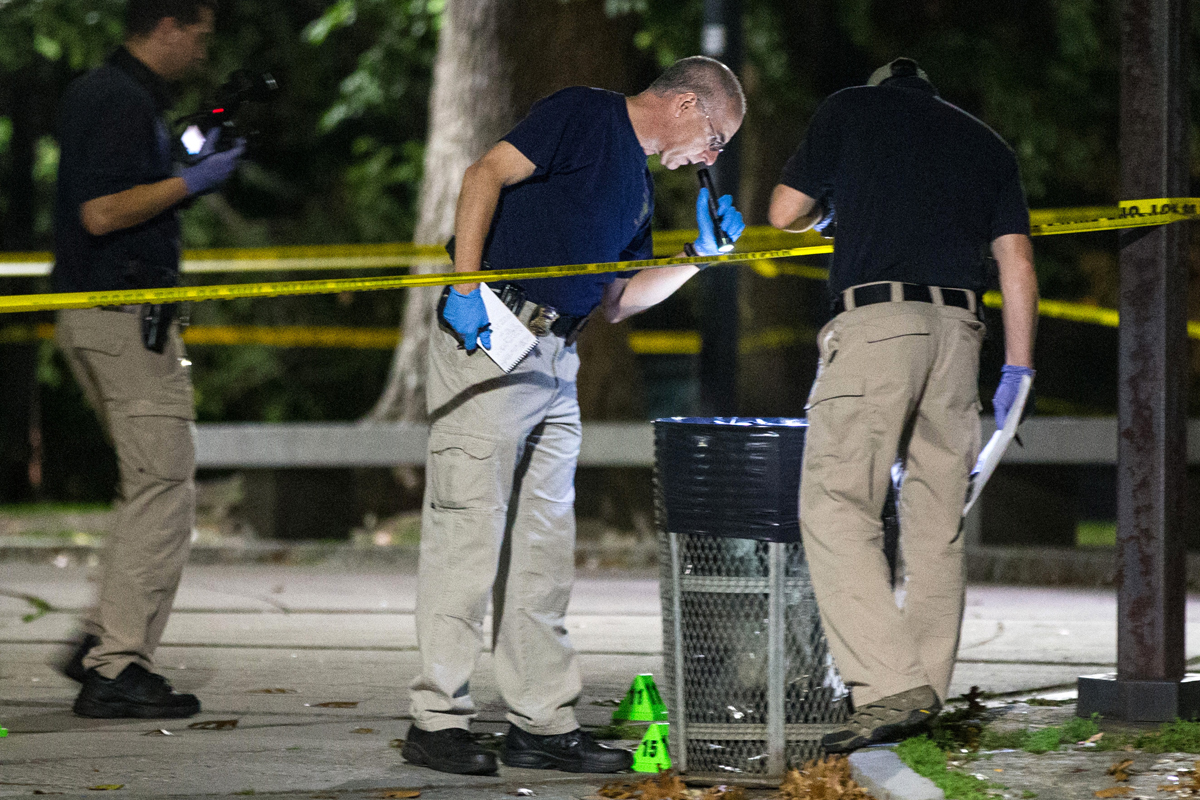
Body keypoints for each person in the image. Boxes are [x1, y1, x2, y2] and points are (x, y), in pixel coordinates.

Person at [403, 56, 746, 776]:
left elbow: (619, 301)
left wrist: (698, 258)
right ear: (686, 104)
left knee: (542, 552)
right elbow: (482, 175)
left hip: (559, 357)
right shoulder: (586, 114)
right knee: (468, 536)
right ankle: (436, 720)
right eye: (716, 139)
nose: (711, 159)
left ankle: (543, 723)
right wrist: (466, 287)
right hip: (492, 330)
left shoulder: (640, 193)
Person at [768, 58, 1038, 753]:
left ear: (880, 85)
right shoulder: (988, 145)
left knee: (834, 504)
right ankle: (921, 696)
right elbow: (1018, 264)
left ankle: (889, 689)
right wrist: (1019, 368)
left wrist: (835, 212)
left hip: (877, 325)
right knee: (936, 524)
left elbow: (783, 212)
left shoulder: (849, 108)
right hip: (962, 336)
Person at [52, 0, 244, 719]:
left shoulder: (112, 92)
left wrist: (183, 168)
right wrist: (193, 181)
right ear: (168, 24)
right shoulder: (117, 96)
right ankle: (117, 667)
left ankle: (103, 638)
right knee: (165, 485)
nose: (202, 49)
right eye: (199, 33)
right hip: (121, 314)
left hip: (104, 315)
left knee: (146, 483)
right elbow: (101, 213)